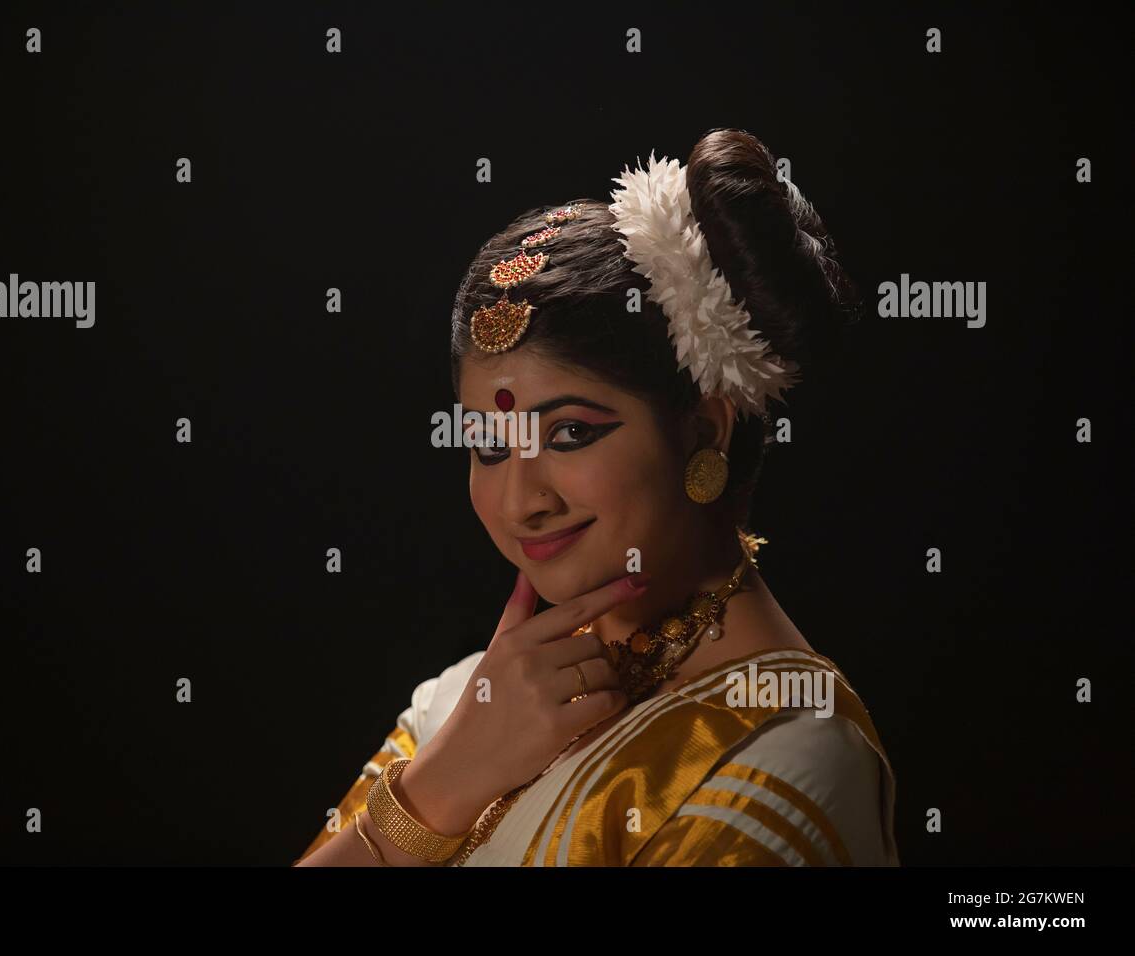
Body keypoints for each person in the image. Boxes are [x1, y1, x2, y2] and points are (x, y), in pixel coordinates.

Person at [295, 128, 898, 867]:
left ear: (703, 430)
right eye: (488, 446)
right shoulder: (466, 706)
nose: (521, 501)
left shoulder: (784, 752)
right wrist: (440, 787)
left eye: (571, 433)